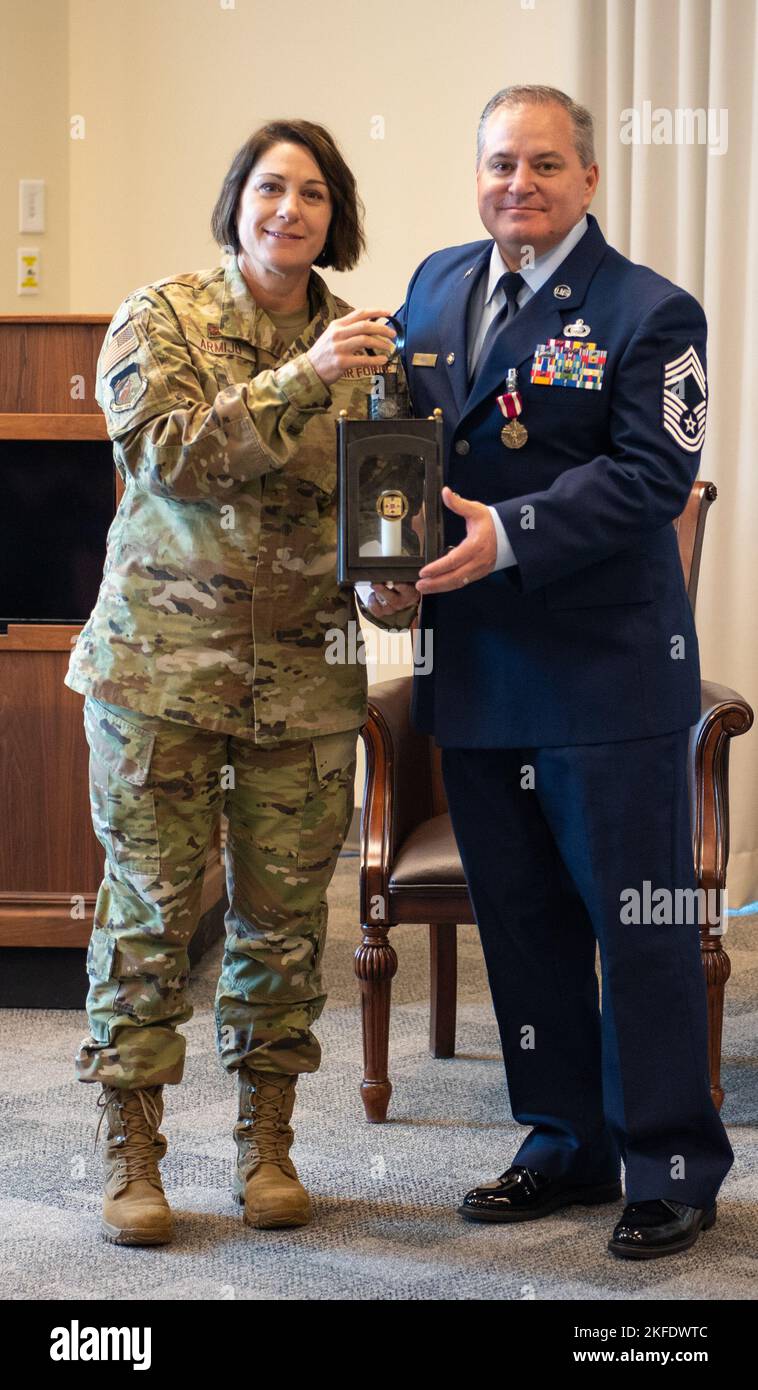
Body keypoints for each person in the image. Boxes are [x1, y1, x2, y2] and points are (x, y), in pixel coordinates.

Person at [389, 85, 734, 1260]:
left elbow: (654, 475)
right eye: (497, 163)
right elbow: (399, 446)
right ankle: (562, 1139)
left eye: (542, 164)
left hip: (606, 676)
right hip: (479, 666)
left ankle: (668, 1160)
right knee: (525, 925)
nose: (516, 184)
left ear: (588, 179)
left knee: (635, 924)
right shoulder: (434, 286)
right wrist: (378, 563)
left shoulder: (652, 313)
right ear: (475, 174)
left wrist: (513, 534)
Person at [65, 119, 417, 1245]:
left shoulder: (377, 355)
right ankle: (133, 1148)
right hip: (158, 678)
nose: (289, 210)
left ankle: (266, 1142)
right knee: (150, 918)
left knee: (278, 927)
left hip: (305, 688)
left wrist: (389, 588)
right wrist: (302, 376)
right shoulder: (158, 316)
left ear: (335, 216)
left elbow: (384, 517)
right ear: (237, 201)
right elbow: (169, 452)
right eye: (270, 187)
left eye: (313, 193)